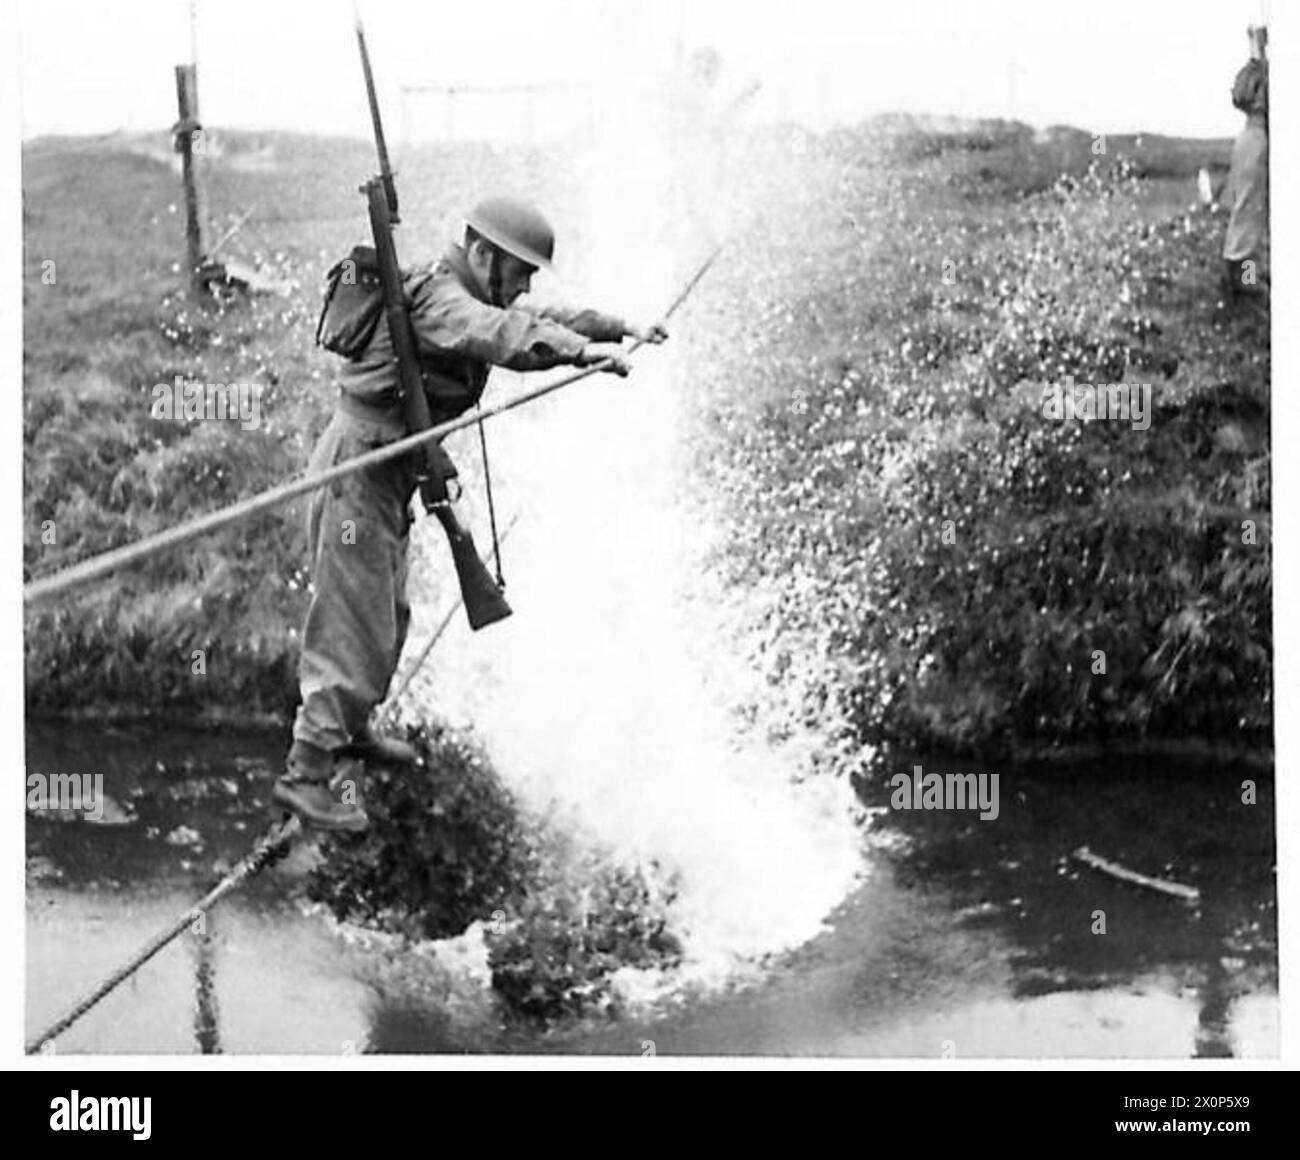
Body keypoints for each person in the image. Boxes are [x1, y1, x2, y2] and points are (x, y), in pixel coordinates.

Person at [274, 195, 668, 831]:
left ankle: (349, 731)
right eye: (518, 272)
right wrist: (576, 355)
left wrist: (615, 328)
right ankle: (307, 770)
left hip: (387, 473)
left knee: (388, 615)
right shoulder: (437, 298)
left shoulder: (472, 291)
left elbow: (537, 314)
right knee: (352, 622)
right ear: (482, 254)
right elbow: (499, 334)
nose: (525, 286)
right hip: (357, 473)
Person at [1223, 25, 1269, 300]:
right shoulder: (1257, 74)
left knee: (1248, 205)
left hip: (1250, 139)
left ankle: (1240, 273)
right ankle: (1244, 277)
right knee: (1252, 207)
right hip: (1256, 138)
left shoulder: (1255, 71)